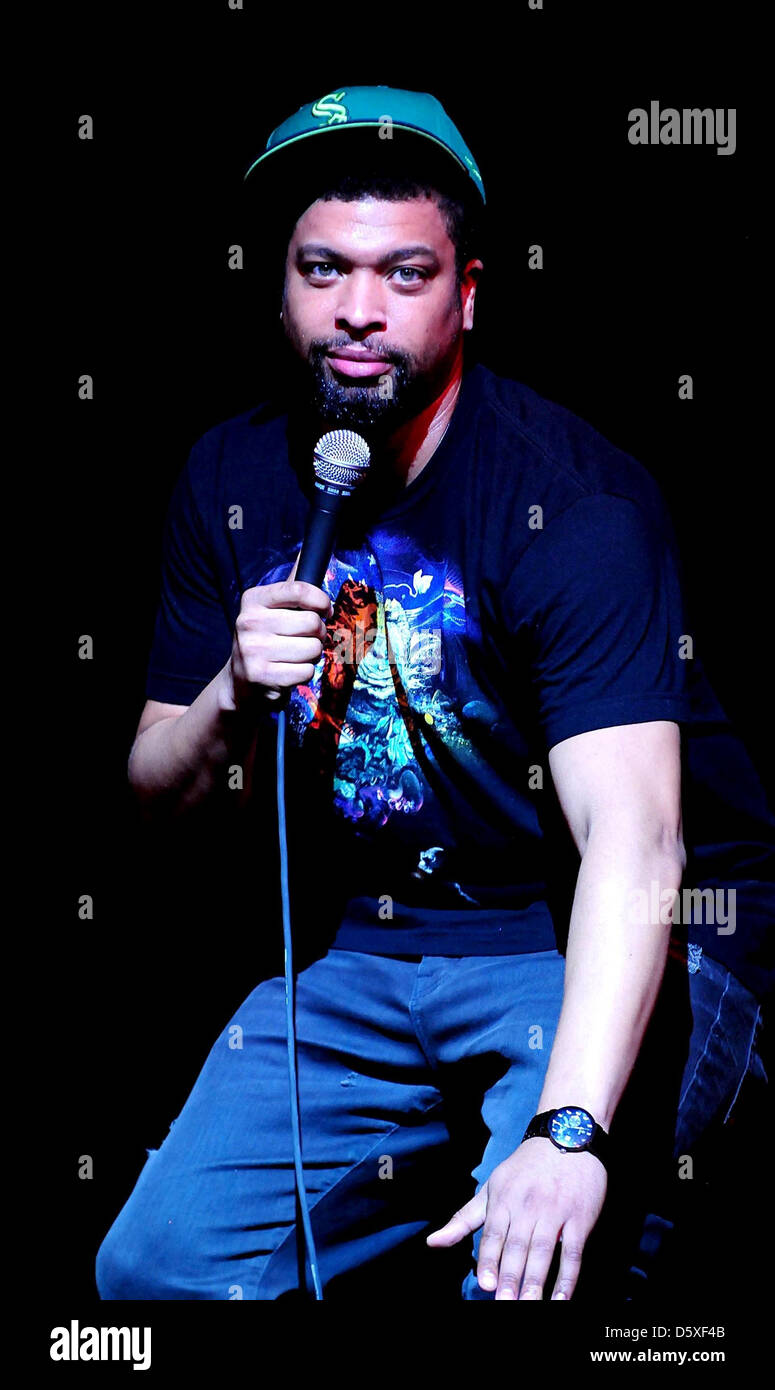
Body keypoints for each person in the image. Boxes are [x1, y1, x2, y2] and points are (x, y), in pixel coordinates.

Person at [94, 86, 772, 1302]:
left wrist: (567, 1136)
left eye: (404, 274)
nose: (358, 311)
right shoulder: (230, 473)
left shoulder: (572, 500)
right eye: (323, 269)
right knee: (156, 1271)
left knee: (535, 1274)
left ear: (465, 294)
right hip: (376, 939)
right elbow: (152, 789)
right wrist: (230, 692)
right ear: (280, 284)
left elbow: (639, 837)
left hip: (583, 929)